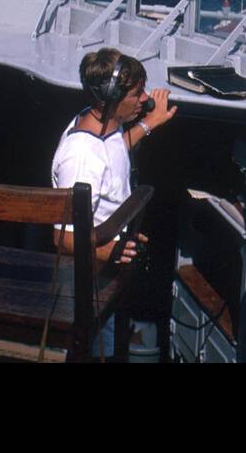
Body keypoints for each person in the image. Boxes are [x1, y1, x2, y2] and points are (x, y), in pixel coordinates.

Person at [51, 48, 176, 355]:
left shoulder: (104, 124)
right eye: (137, 93)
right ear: (111, 96)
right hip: (91, 277)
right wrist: (112, 249)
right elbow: (62, 237)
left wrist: (149, 123)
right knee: (97, 349)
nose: (145, 99)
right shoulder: (80, 157)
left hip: (108, 267)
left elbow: (114, 150)